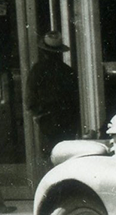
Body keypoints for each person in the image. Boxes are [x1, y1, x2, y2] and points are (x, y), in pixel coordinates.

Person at [24, 32, 81, 160]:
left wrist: (37, 115)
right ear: (60, 52)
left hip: (47, 121)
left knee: (49, 158)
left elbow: (29, 100)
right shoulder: (68, 72)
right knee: (67, 157)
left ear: (43, 51)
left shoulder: (37, 70)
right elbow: (76, 100)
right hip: (68, 121)